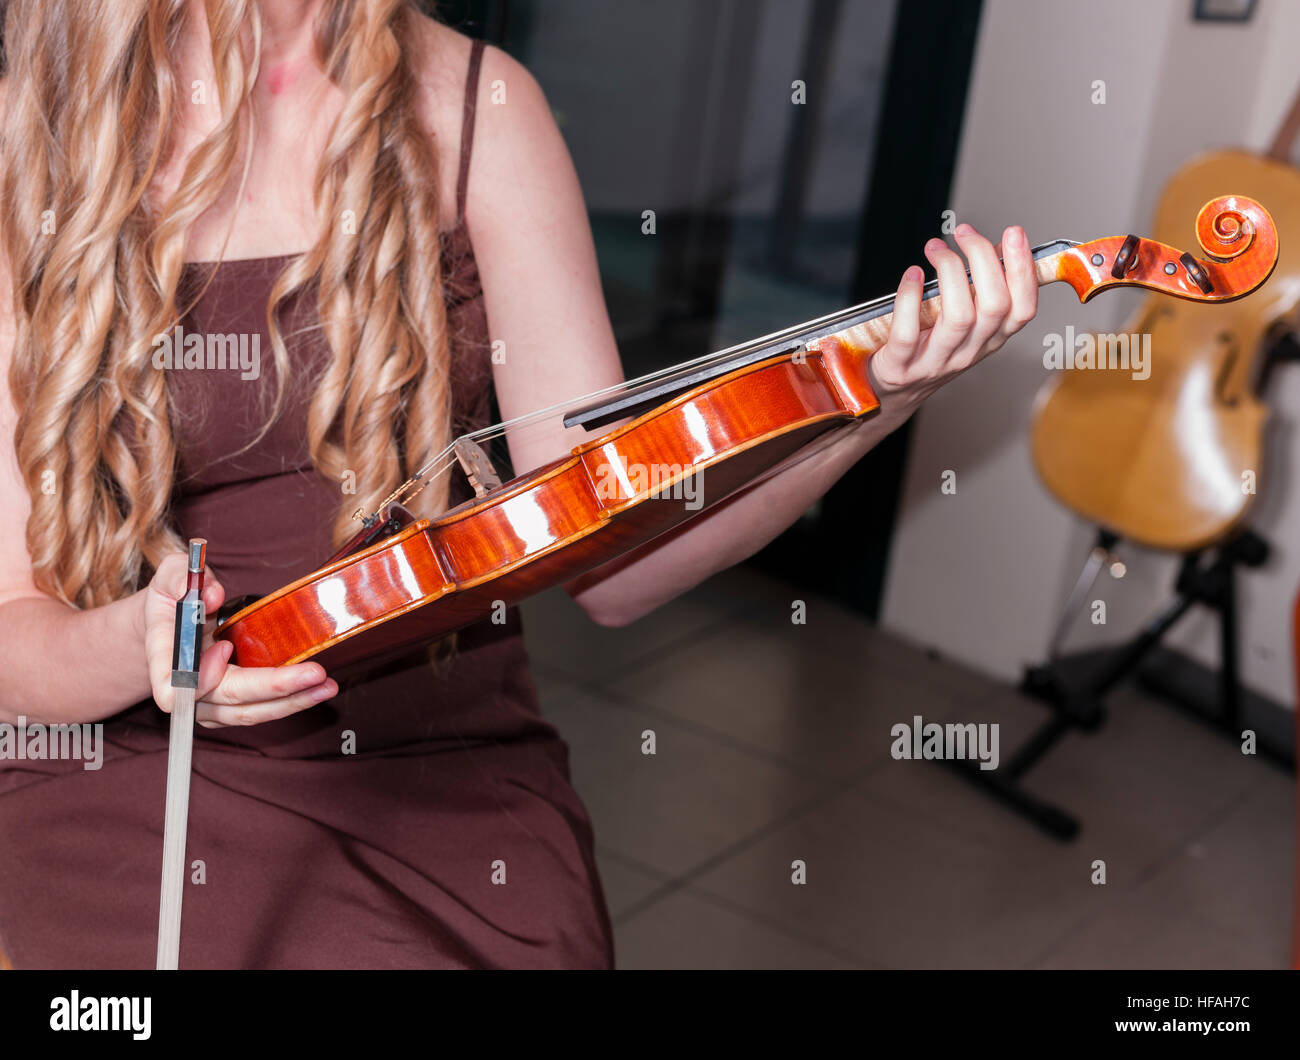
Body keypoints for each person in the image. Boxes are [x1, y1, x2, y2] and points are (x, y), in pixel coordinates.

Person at [0, 0, 1038, 969]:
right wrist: (147, 648)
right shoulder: (36, 120)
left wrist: (874, 400)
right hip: (114, 745)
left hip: (434, 763)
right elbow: (14, 634)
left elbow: (619, 570)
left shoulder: (480, 107)